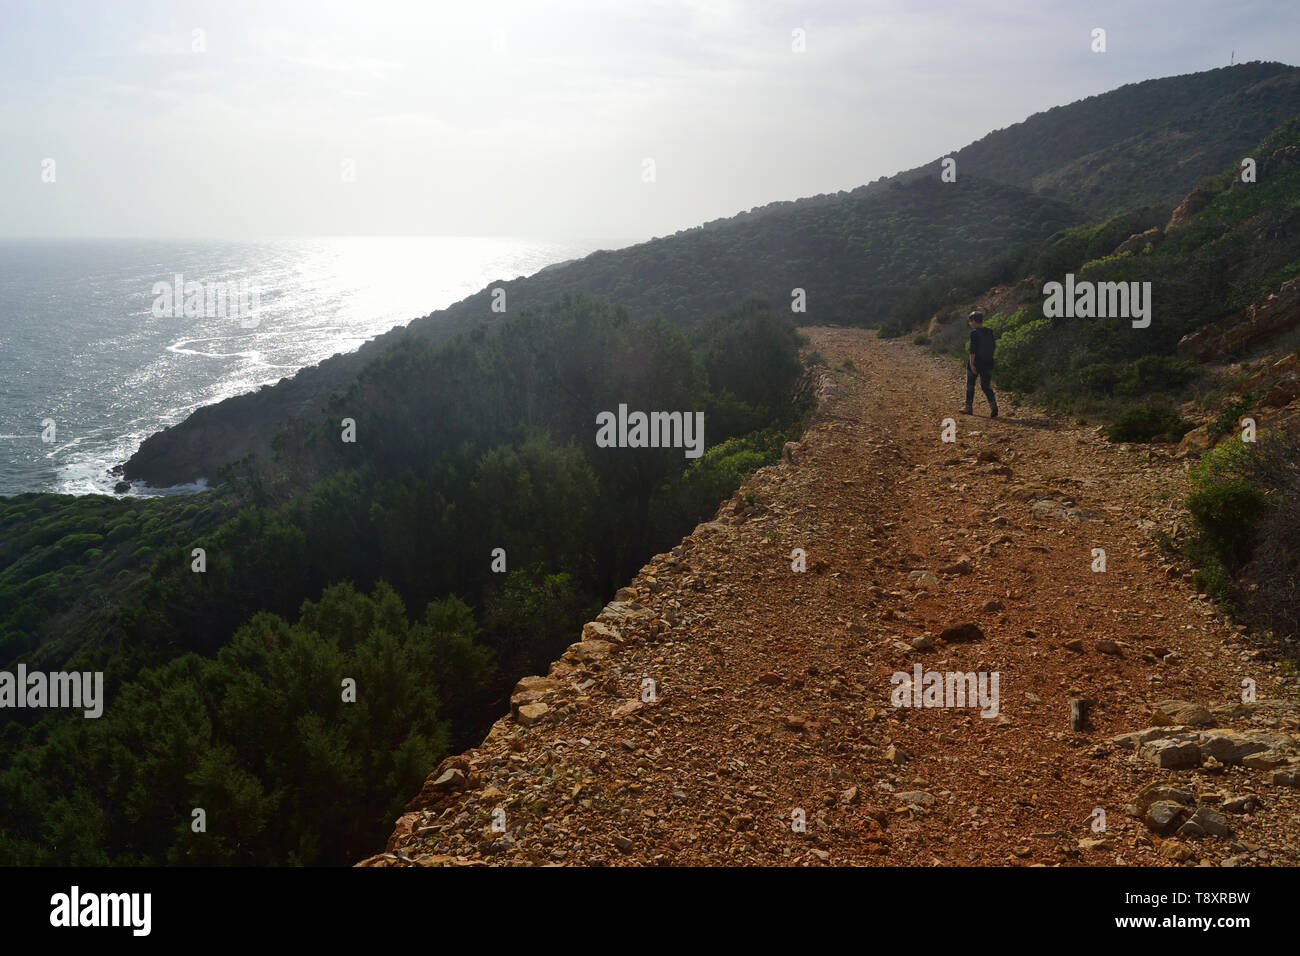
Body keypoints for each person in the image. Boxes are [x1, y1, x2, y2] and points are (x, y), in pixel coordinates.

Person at [962, 310, 998, 417]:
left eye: (970, 321)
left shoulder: (974, 333)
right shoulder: (989, 331)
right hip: (988, 363)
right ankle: (993, 406)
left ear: (974, 321)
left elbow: (972, 350)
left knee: (970, 385)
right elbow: (993, 347)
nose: (970, 324)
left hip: (977, 363)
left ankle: (968, 408)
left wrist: (972, 364)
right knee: (986, 386)